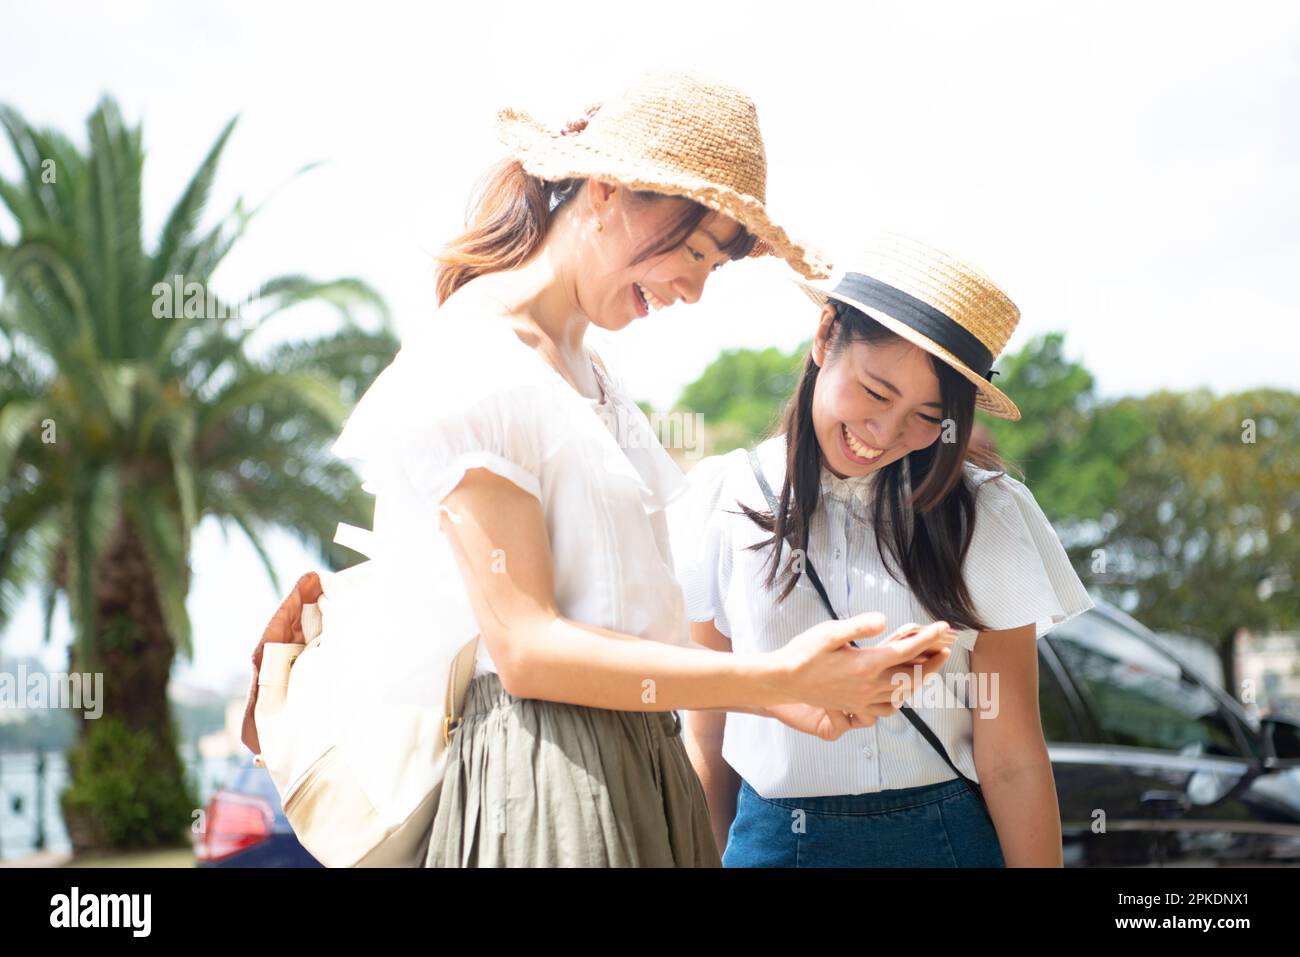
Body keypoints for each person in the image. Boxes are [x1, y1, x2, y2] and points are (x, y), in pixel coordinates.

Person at [241, 73, 955, 867]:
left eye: (713, 268)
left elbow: (623, 619)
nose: (690, 290)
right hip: (550, 777)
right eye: (692, 251)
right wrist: (766, 677)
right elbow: (528, 648)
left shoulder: (590, 373)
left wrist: (792, 692)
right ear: (607, 193)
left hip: (642, 758)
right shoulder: (478, 358)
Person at [670, 234, 1094, 866]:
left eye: (926, 415)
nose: (885, 434)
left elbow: (1011, 757)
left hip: (945, 841)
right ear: (825, 335)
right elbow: (707, 729)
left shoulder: (985, 513)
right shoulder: (721, 503)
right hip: (773, 845)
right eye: (874, 392)